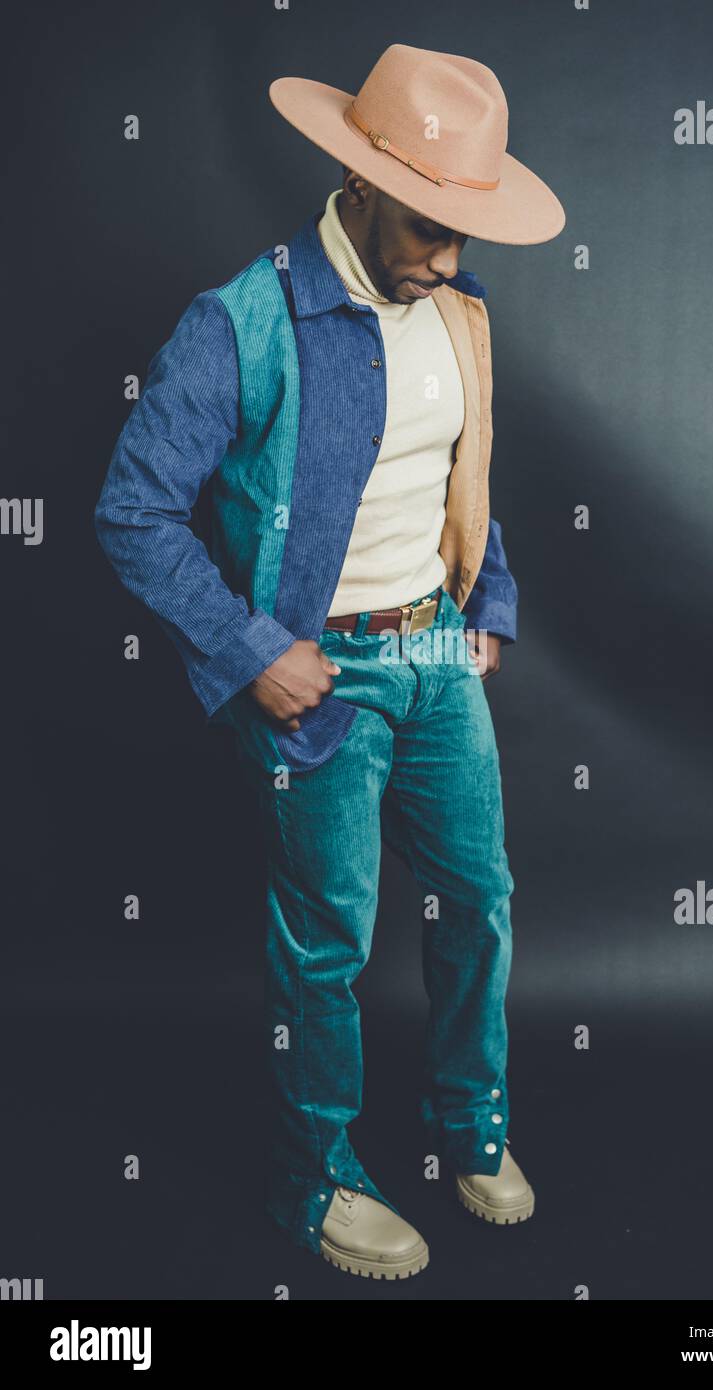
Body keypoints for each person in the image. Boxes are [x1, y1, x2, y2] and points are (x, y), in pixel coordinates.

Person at [94, 42, 565, 1279]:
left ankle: (470, 1131)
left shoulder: (456, 314)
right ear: (356, 186)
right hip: (322, 682)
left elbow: (461, 480)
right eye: (428, 226)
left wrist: (488, 603)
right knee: (328, 945)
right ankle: (316, 1183)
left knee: (479, 902)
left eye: (463, 232)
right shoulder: (242, 320)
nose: (449, 258)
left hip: (433, 655)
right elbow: (131, 510)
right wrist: (255, 653)